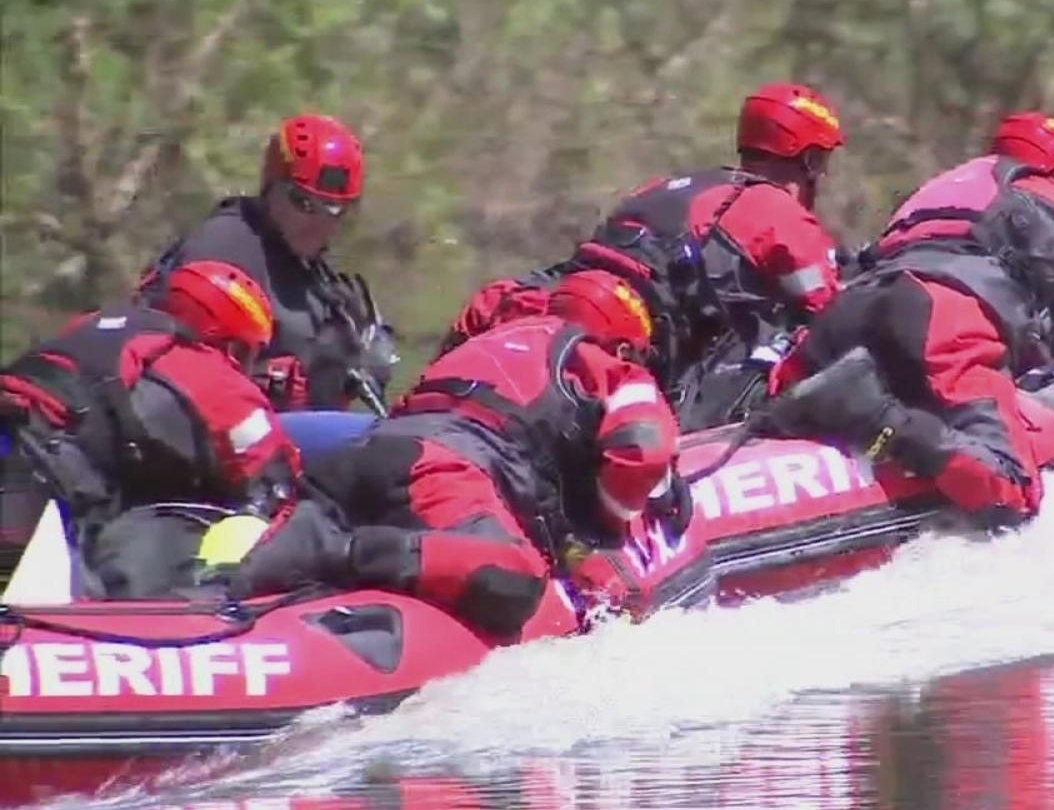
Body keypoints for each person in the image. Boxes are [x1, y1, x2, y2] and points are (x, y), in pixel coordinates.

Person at [226, 268, 690, 644]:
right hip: (441, 470)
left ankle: (246, 579)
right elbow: (642, 453)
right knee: (515, 580)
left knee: (241, 588)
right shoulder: (602, 364)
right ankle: (338, 550)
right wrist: (608, 528)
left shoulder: (484, 344)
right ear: (625, 345)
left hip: (363, 454)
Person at [760, 143, 1054, 528]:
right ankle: (875, 416)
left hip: (851, 310)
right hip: (941, 317)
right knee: (1011, 490)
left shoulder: (933, 193)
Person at [438, 83, 850, 378]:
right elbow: (827, 310)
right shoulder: (779, 213)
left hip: (565, 306)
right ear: (810, 160)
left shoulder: (668, 186)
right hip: (634, 347)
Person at [0, 262, 302, 596]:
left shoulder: (90, 327)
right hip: (42, 474)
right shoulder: (196, 363)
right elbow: (276, 475)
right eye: (249, 352)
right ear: (229, 343)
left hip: (18, 441)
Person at [133, 113, 396, 414]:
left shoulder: (312, 269)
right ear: (272, 186)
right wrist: (307, 375)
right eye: (304, 203)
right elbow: (181, 383)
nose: (319, 222)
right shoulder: (223, 250)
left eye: (335, 209)